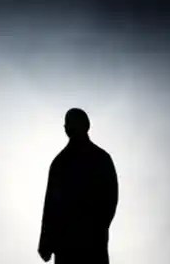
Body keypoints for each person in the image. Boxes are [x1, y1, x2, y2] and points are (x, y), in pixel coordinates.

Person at [38, 108, 119, 264]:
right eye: (67, 124)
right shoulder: (60, 162)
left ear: (85, 125)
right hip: (70, 243)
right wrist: (46, 241)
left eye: (71, 123)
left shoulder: (98, 158)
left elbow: (111, 198)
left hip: (89, 241)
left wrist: (98, 226)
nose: (68, 127)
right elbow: (51, 205)